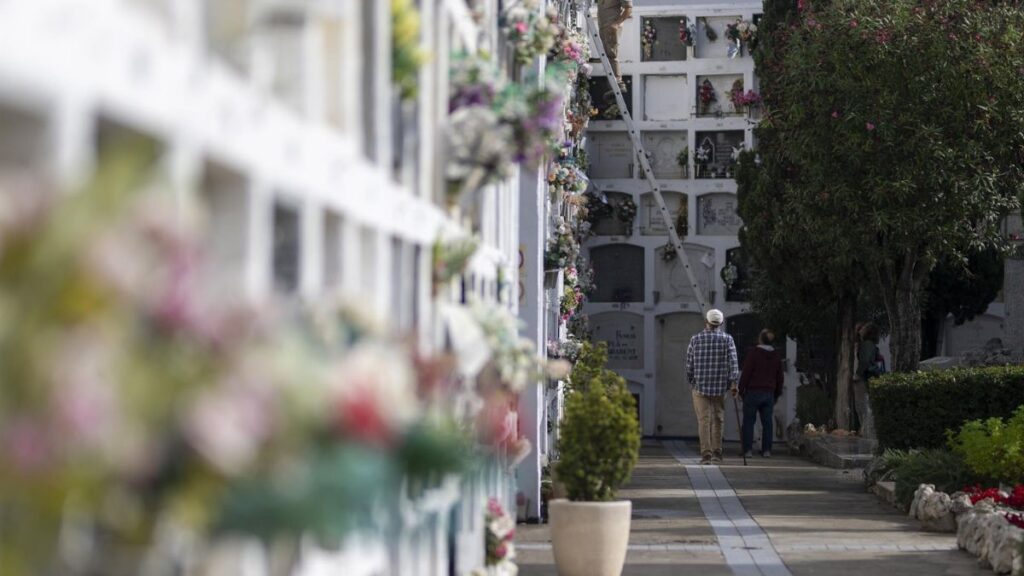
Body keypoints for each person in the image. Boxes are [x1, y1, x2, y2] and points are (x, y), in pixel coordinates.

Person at [686, 308, 739, 465]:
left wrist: (691, 382)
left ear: (706, 323)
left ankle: (706, 454)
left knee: (704, 420)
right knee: (718, 419)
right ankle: (717, 452)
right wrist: (734, 382)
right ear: (721, 323)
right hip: (720, 387)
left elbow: (689, 365)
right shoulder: (727, 339)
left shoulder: (695, 339)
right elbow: (733, 363)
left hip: (700, 386)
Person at [738, 329, 784, 458]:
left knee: (748, 421)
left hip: (753, 391)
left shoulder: (754, 353)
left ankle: (747, 450)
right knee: (767, 423)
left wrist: (741, 390)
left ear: (760, 338)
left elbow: (746, 373)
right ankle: (767, 450)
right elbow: (780, 376)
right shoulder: (776, 355)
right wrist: (777, 393)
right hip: (769, 392)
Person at [854, 322, 882, 437]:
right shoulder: (869, 345)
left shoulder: (867, 345)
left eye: (863, 329)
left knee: (862, 406)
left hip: (863, 379)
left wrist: (858, 374)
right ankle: (866, 430)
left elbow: (865, 362)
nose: (860, 331)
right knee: (865, 405)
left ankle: (866, 431)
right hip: (868, 377)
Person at [597, 0, 633, 93]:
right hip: (603, 26)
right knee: (607, 54)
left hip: (611, 27)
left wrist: (617, 23)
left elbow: (628, 9)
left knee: (612, 53)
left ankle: (617, 81)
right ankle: (614, 82)